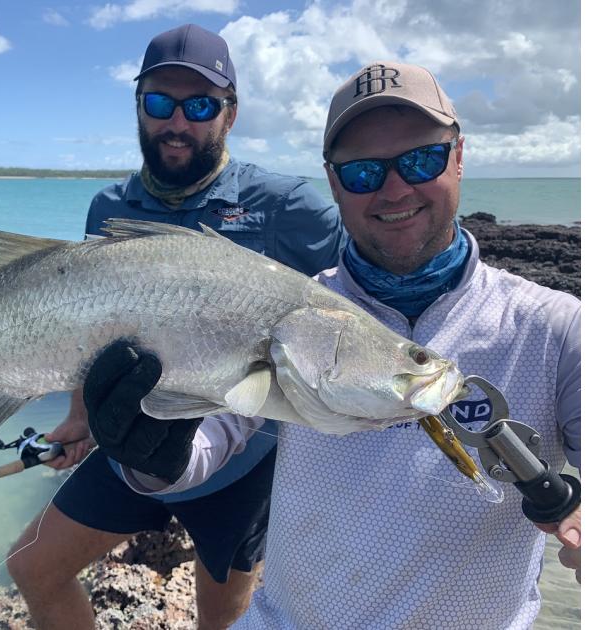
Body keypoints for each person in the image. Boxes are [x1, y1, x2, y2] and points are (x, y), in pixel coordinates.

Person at [80, 61, 582, 629]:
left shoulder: (558, 329)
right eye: (363, 172)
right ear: (334, 182)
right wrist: (151, 458)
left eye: (421, 159)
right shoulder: (288, 311)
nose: (395, 189)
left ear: (459, 156)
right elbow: (211, 439)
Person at [4, 24, 348, 630]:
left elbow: (356, 307)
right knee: (34, 569)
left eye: (200, 105)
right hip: (124, 452)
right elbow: (99, 332)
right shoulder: (108, 207)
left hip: (242, 465)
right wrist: (82, 418)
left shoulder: (290, 207)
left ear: (230, 114)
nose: (178, 123)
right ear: (139, 107)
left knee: (221, 618)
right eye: (160, 103)